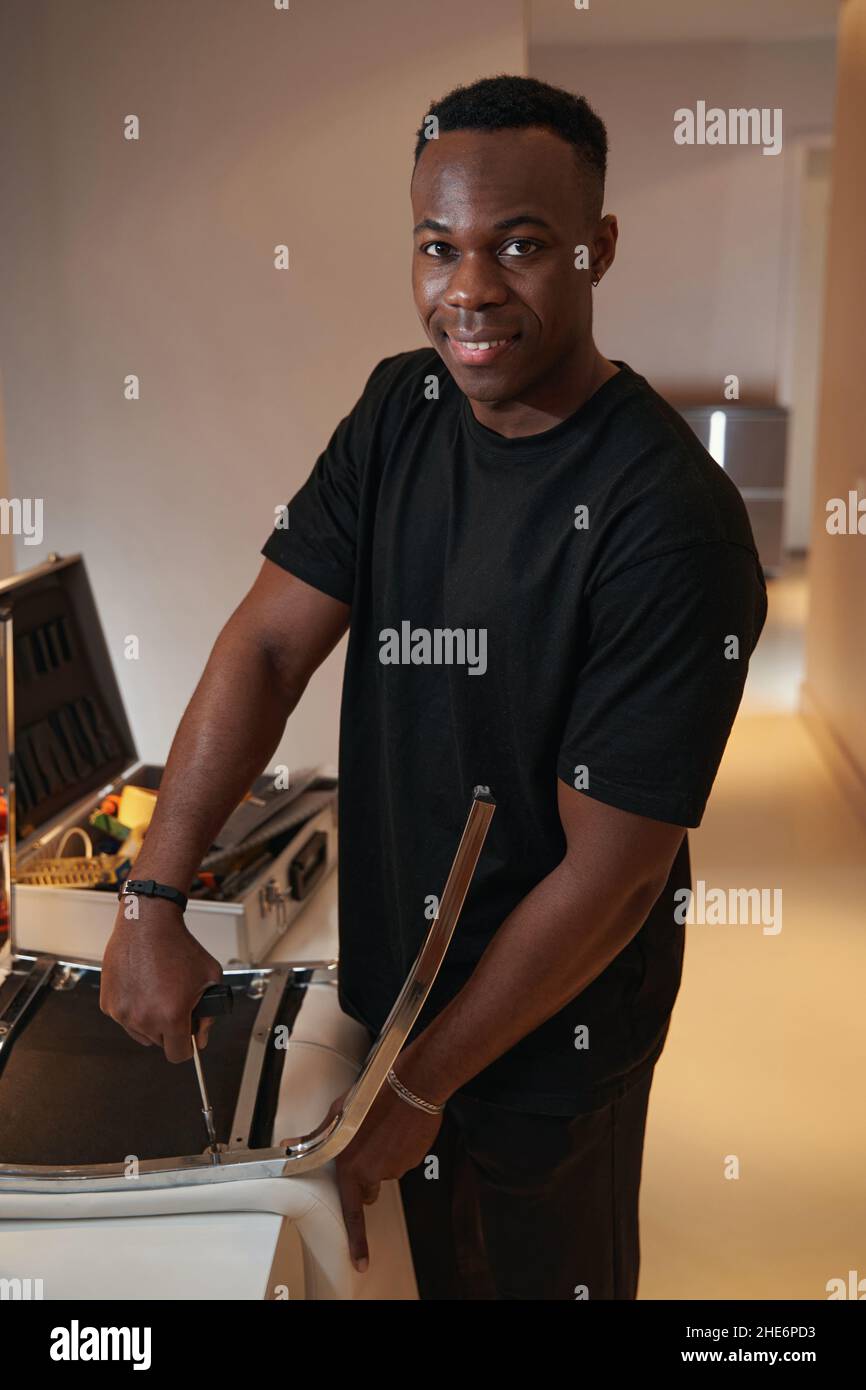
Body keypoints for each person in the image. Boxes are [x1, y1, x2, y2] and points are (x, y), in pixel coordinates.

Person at [100, 74, 768, 1300]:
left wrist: (416, 1086)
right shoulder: (399, 409)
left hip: (547, 1043)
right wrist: (153, 892)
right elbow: (263, 647)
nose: (469, 288)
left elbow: (610, 879)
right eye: (437, 246)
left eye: (518, 245)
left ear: (595, 247)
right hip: (387, 1000)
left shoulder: (668, 521)